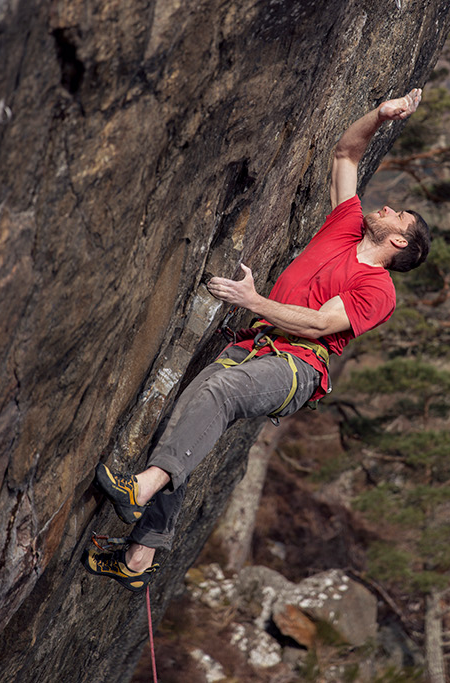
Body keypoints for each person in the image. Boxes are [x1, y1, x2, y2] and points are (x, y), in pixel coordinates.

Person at [86, 89, 432, 591]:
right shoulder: (344, 227)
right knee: (187, 421)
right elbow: (345, 154)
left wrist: (252, 301)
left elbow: (316, 326)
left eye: (400, 215)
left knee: (219, 395)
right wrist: (382, 114)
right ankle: (138, 560)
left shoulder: (378, 288)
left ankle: (141, 488)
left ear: (400, 242)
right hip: (253, 346)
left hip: (297, 367)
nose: (390, 207)